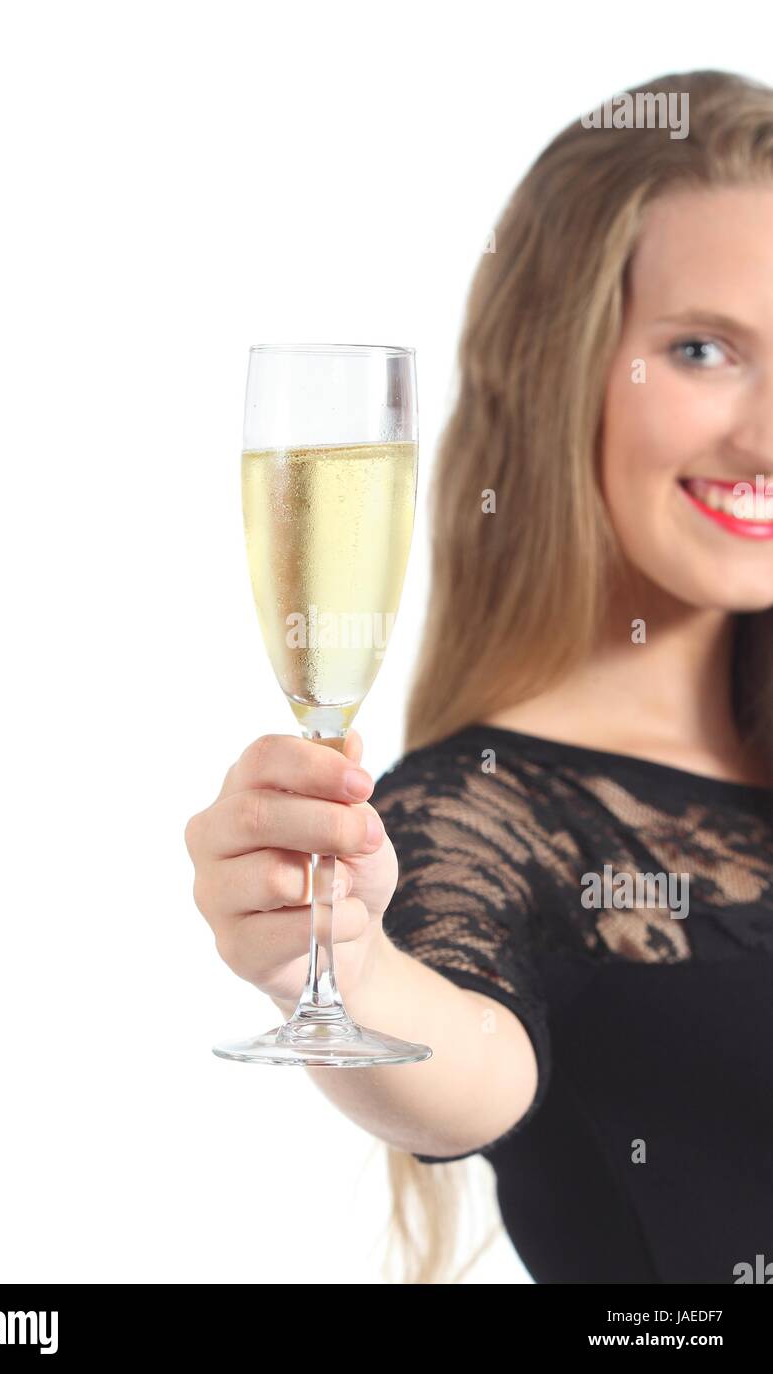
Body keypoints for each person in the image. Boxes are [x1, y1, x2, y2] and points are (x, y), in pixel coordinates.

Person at [184, 68, 773, 1284]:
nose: (764, 431)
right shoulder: (483, 809)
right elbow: (462, 1072)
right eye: (703, 349)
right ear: (563, 371)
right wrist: (339, 961)